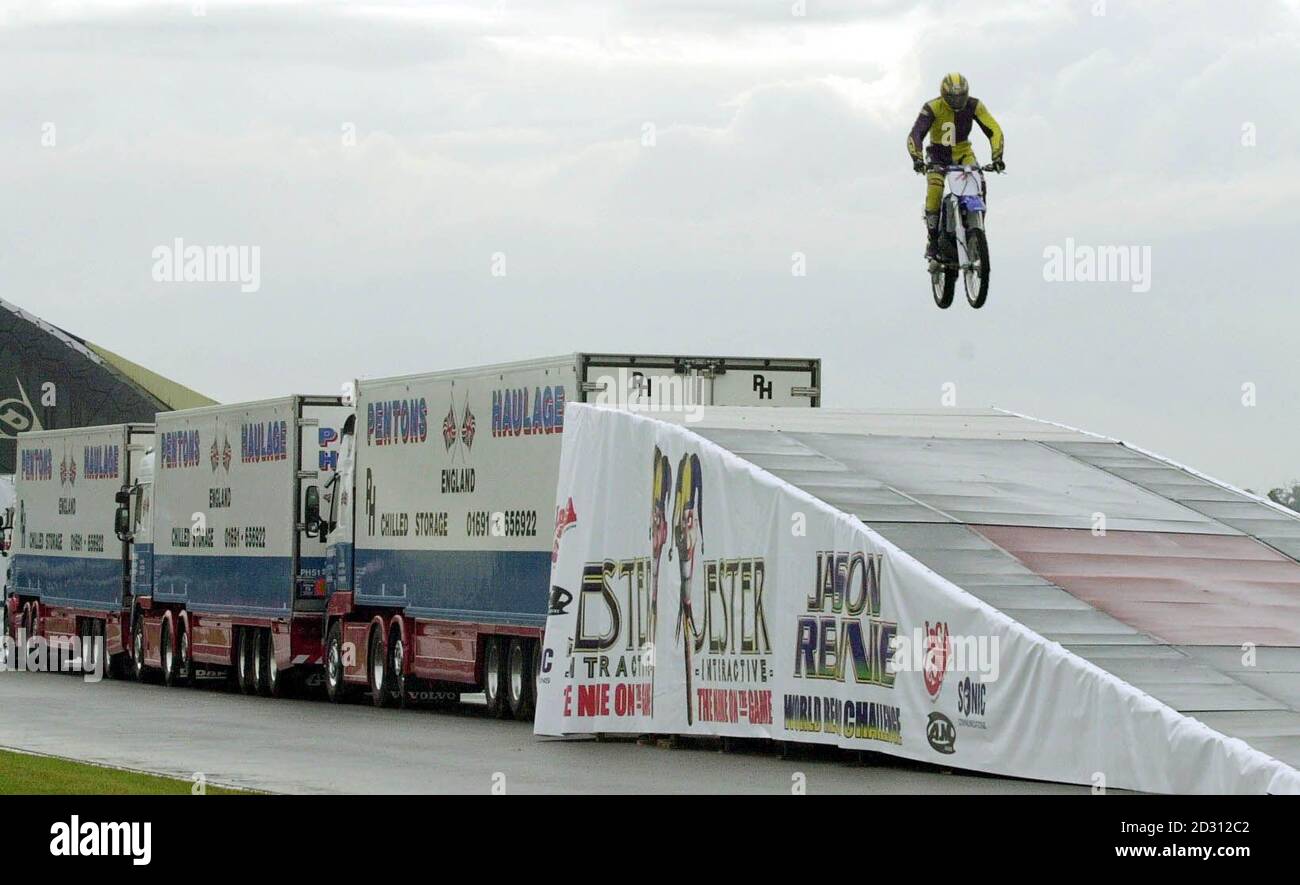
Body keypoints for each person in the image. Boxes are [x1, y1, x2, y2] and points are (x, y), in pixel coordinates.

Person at [907, 73, 1005, 260]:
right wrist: (917, 159)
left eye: (961, 96)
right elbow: (916, 134)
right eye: (952, 97)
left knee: (979, 185)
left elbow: (994, 129)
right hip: (937, 156)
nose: (957, 101)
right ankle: (933, 239)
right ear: (944, 94)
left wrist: (997, 156)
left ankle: (975, 230)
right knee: (935, 190)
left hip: (963, 154)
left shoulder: (975, 105)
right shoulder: (932, 107)